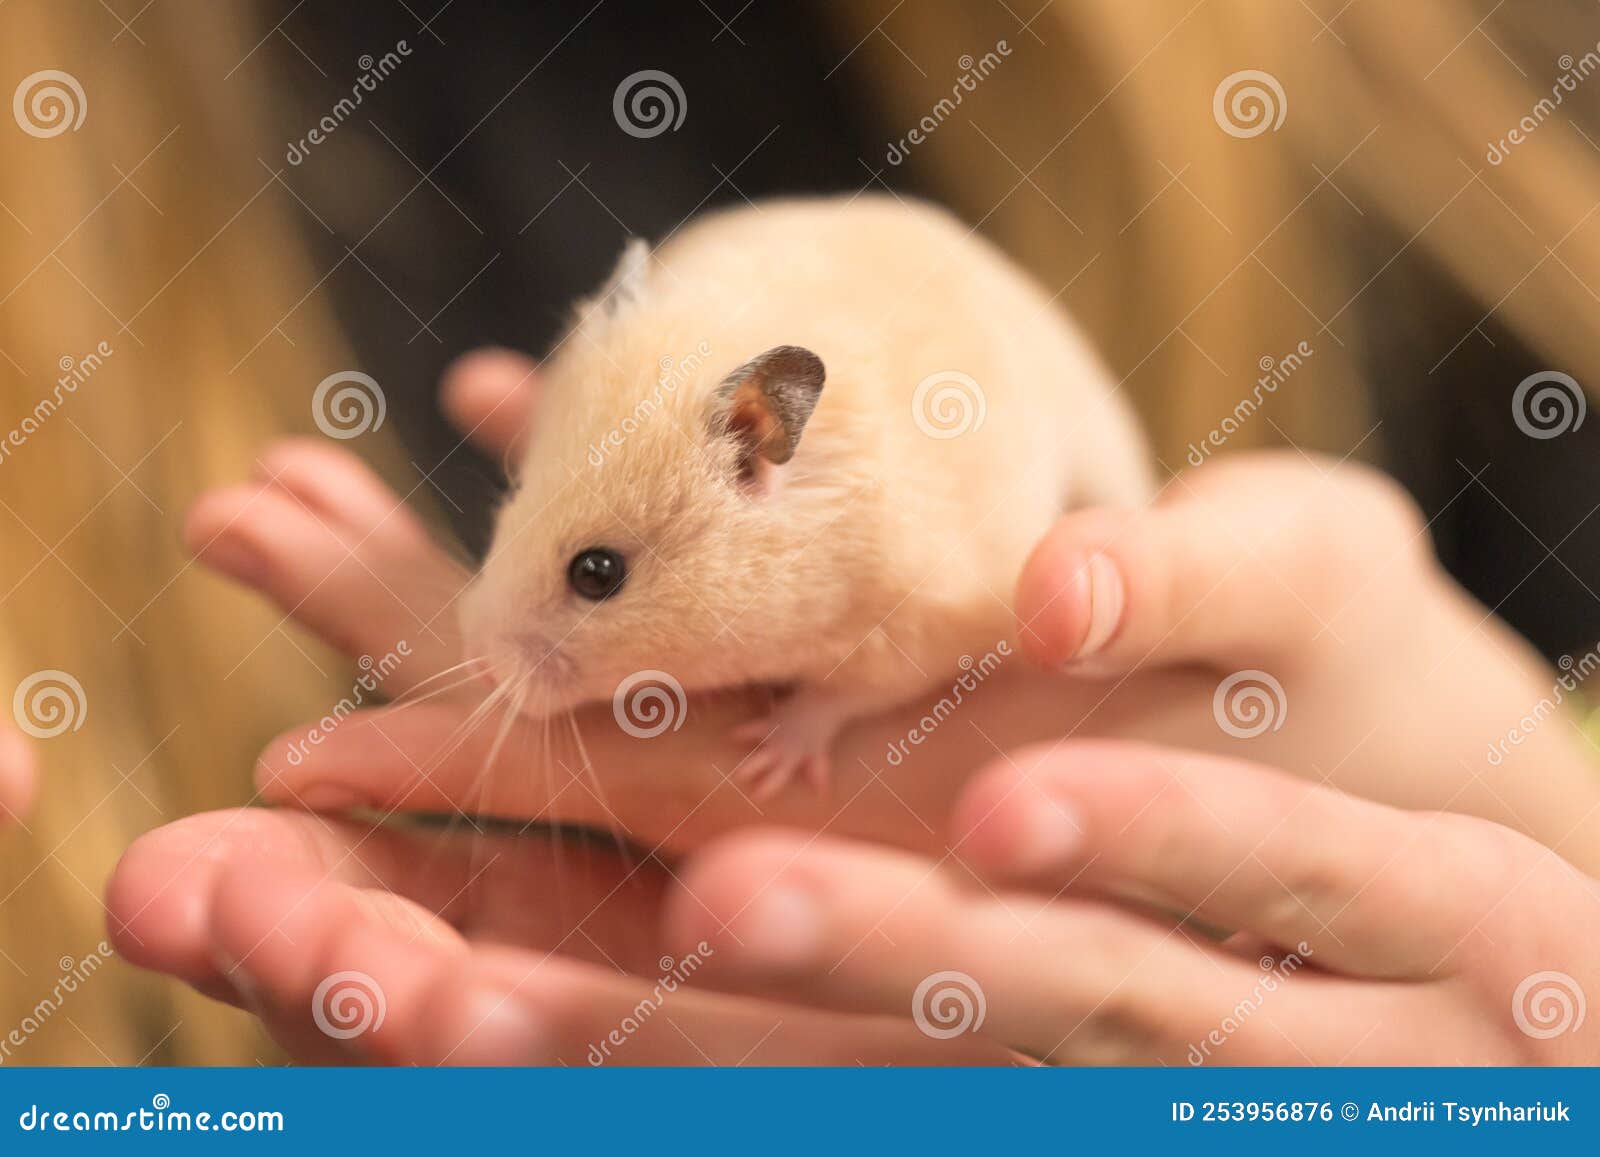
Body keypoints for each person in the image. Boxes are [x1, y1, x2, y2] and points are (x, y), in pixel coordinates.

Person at [3, 0, 1598, 1063]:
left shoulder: (1407, 111)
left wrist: (1546, 859)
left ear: (762, 449)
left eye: (596, 576)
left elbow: (942, 611)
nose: (503, 628)